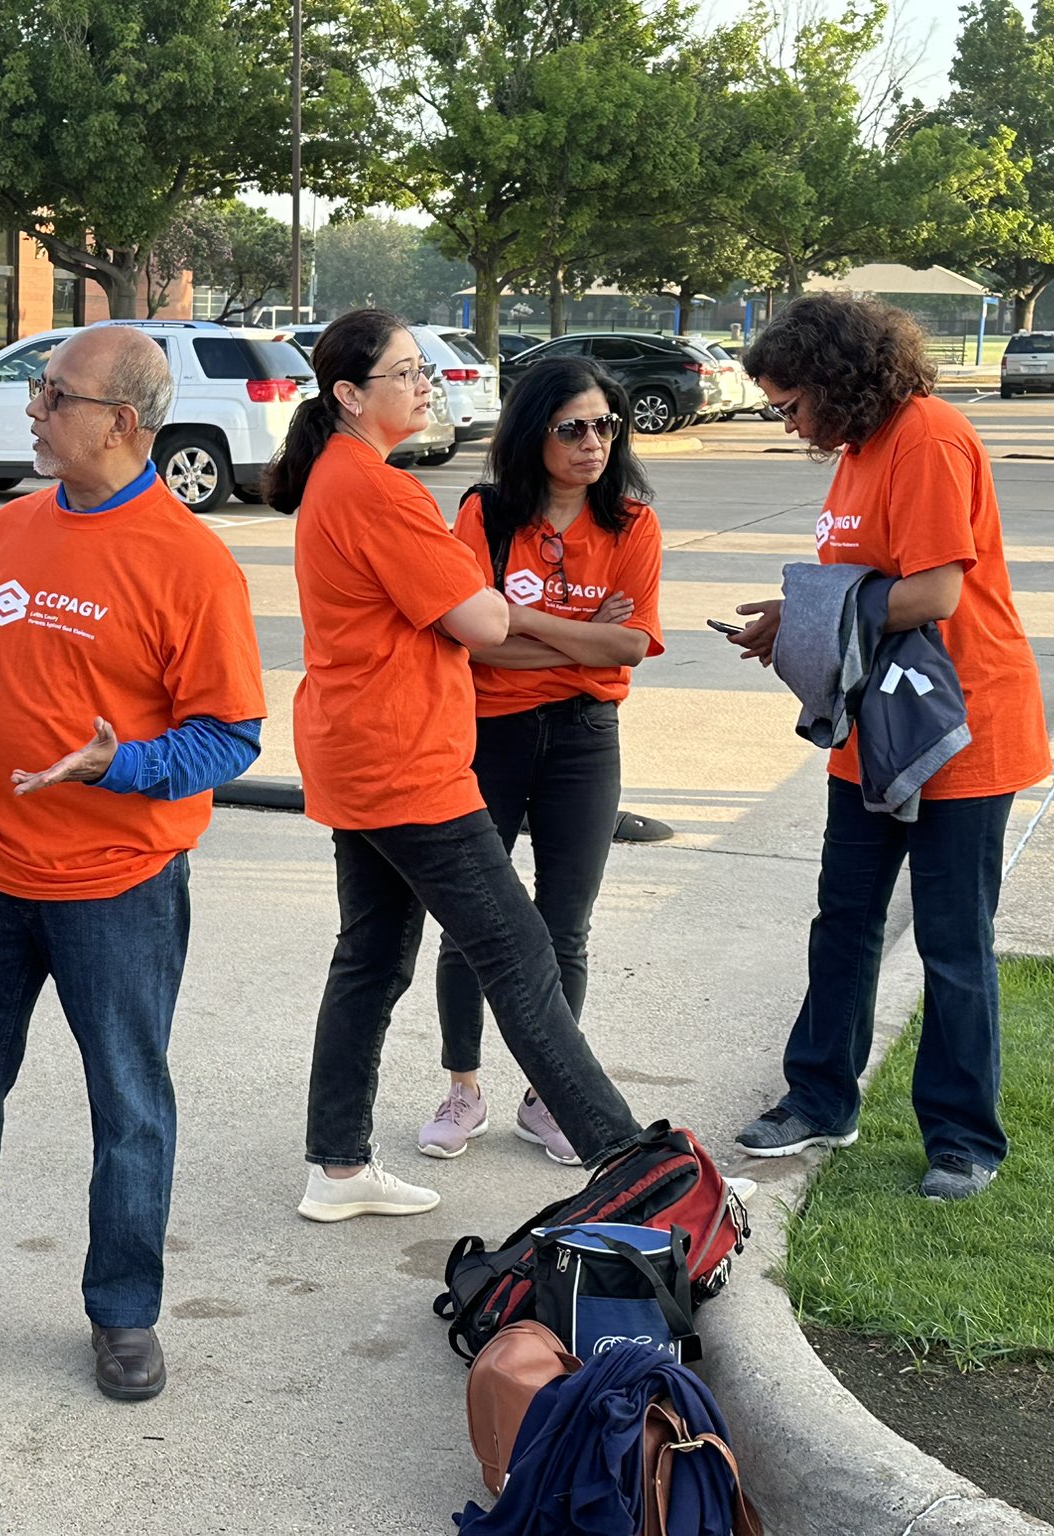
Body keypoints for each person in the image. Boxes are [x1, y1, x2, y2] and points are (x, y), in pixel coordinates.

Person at [0, 324, 267, 1402]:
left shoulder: (188, 562)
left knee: (127, 1103)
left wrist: (118, 763)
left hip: (118, 887)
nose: (33, 408)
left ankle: (121, 1313)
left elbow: (229, 737)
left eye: (53, 393)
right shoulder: (8, 532)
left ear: (122, 423)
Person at [268, 308, 647, 1223]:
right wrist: (582, 633)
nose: (424, 383)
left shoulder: (345, 478)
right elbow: (479, 622)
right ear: (350, 395)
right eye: (404, 372)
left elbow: (485, 610)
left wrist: (514, 612)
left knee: (372, 956)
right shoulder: (375, 490)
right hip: (404, 762)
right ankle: (633, 1174)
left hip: (362, 753)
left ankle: (339, 1167)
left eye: (423, 370)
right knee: (520, 956)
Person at [728, 293, 1049, 1202]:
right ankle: (820, 1098)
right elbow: (860, 586)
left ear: (836, 380)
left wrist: (809, 616)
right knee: (845, 921)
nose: (789, 425)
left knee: (951, 943)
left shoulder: (928, 437)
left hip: (958, 730)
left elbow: (937, 592)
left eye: (791, 405)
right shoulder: (859, 449)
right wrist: (796, 628)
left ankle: (962, 1138)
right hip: (870, 729)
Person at [421, 358, 666, 1164]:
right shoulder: (486, 516)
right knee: (471, 924)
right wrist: (577, 632)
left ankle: (548, 1098)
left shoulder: (633, 524)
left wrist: (521, 618)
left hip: (585, 742)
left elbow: (630, 645)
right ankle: (463, 1090)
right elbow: (472, 639)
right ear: (534, 433)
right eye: (573, 428)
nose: (594, 442)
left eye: (605, 425)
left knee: (566, 926)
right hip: (488, 734)